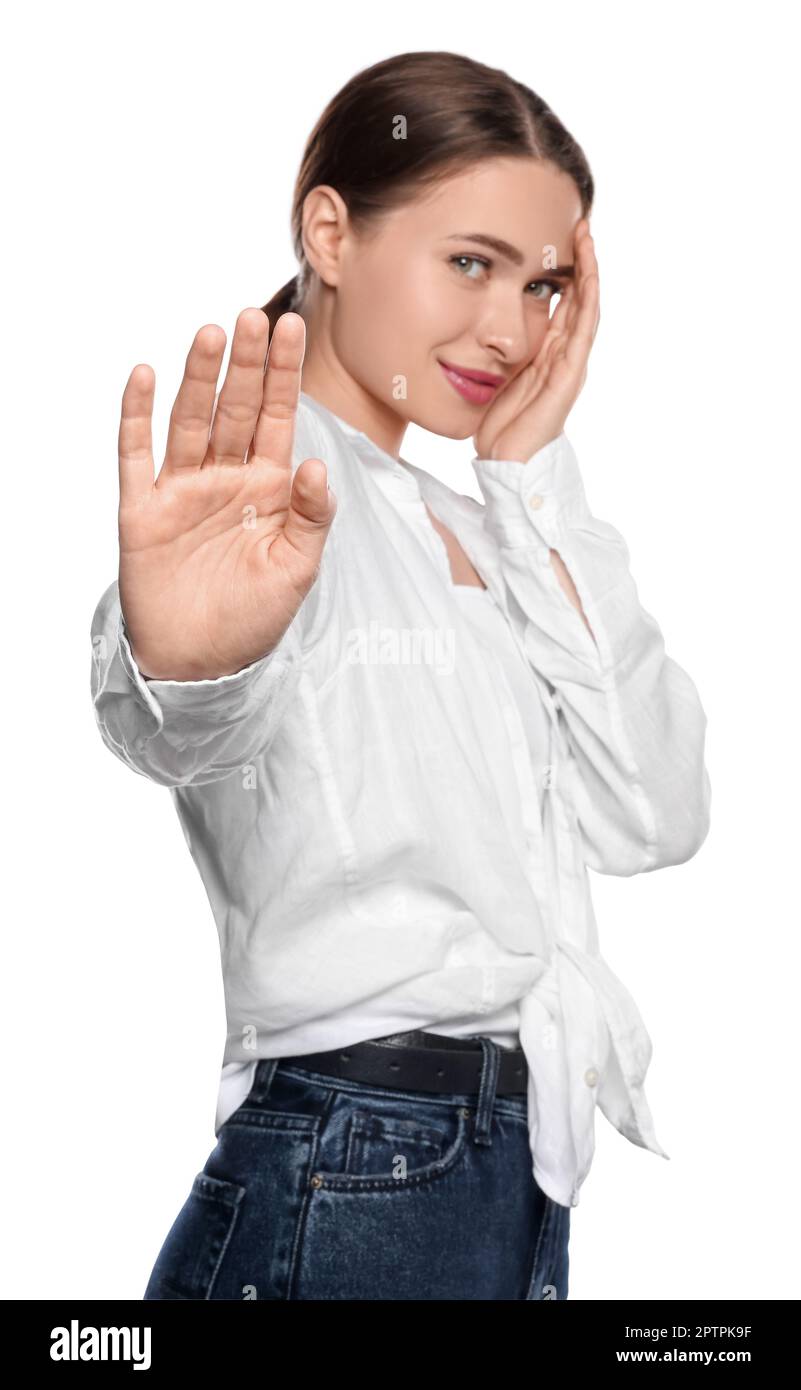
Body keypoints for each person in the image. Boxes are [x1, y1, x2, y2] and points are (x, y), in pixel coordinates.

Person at [89, 50, 711, 1301]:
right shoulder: (264, 500)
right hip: (358, 1156)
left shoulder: (490, 525)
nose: (508, 329)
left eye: (542, 285)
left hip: (499, 1177)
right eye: (469, 262)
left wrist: (532, 473)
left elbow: (655, 813)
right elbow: (177, 720)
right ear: (331, 230)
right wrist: (190, 662)